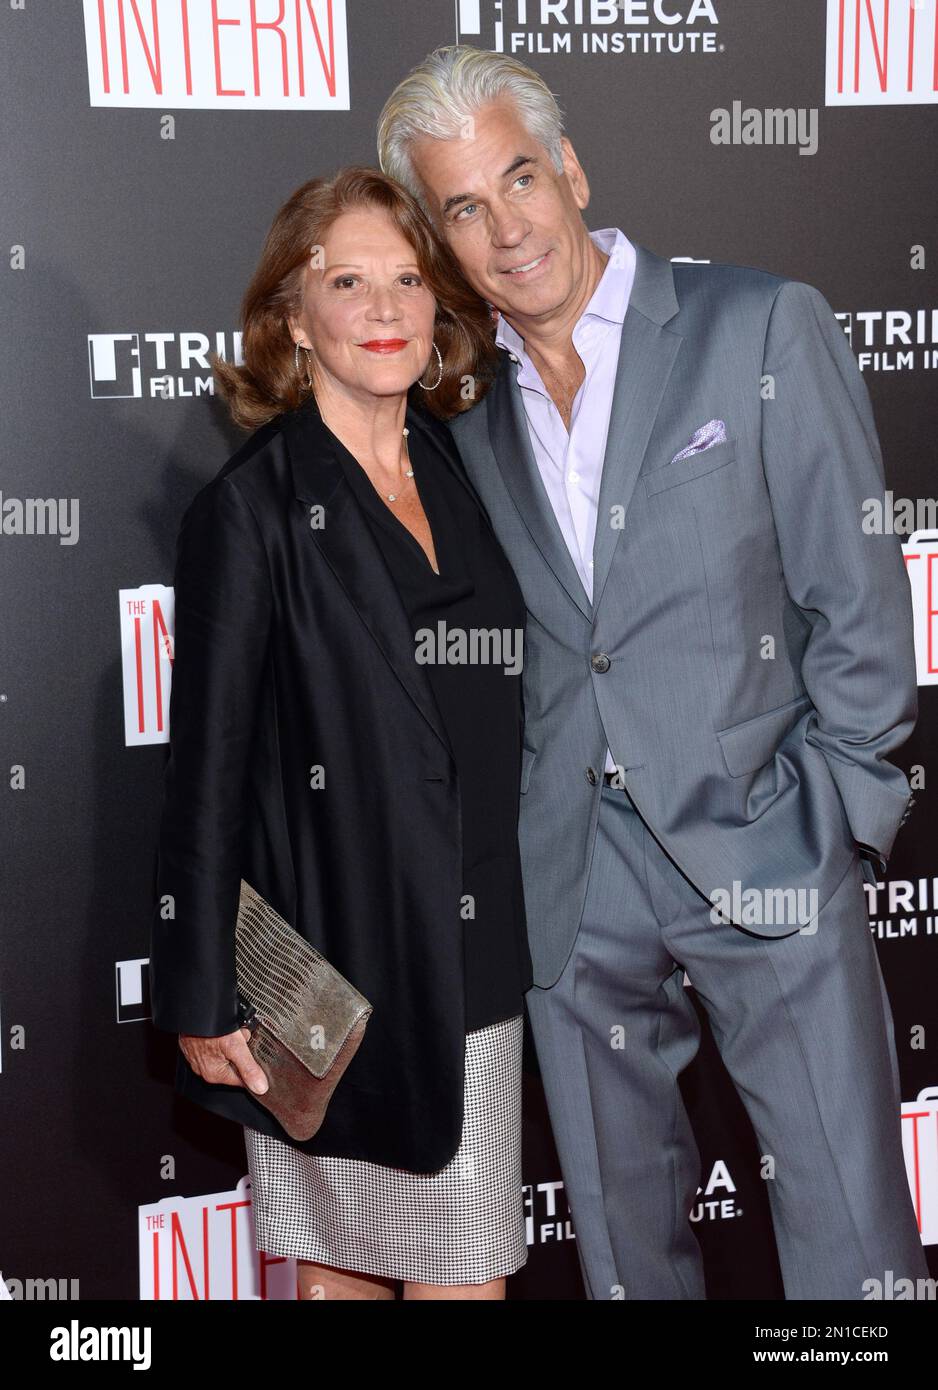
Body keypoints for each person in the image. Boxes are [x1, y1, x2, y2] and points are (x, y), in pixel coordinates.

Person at [376, 45, 928, 1300]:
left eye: (518, 176)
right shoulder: (463, 420)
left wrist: (832, 821)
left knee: (851, 1243)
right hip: (575, 895)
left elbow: (855, 598)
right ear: (441, 238)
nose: (505, 226)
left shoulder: (756, 324)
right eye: (463, 206)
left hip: (767, 848)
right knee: (623, 1262)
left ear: (569, 166)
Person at [148, 166, 533, 1301]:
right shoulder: (250, 509)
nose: (385, 308)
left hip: (477, 954)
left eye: (408, 279)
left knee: (460, 1271)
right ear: (291, 318)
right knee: (341, 1282)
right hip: (336, 970)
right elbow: (203, 768)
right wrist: (197, 988)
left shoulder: (470, 469)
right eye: (348, 281)